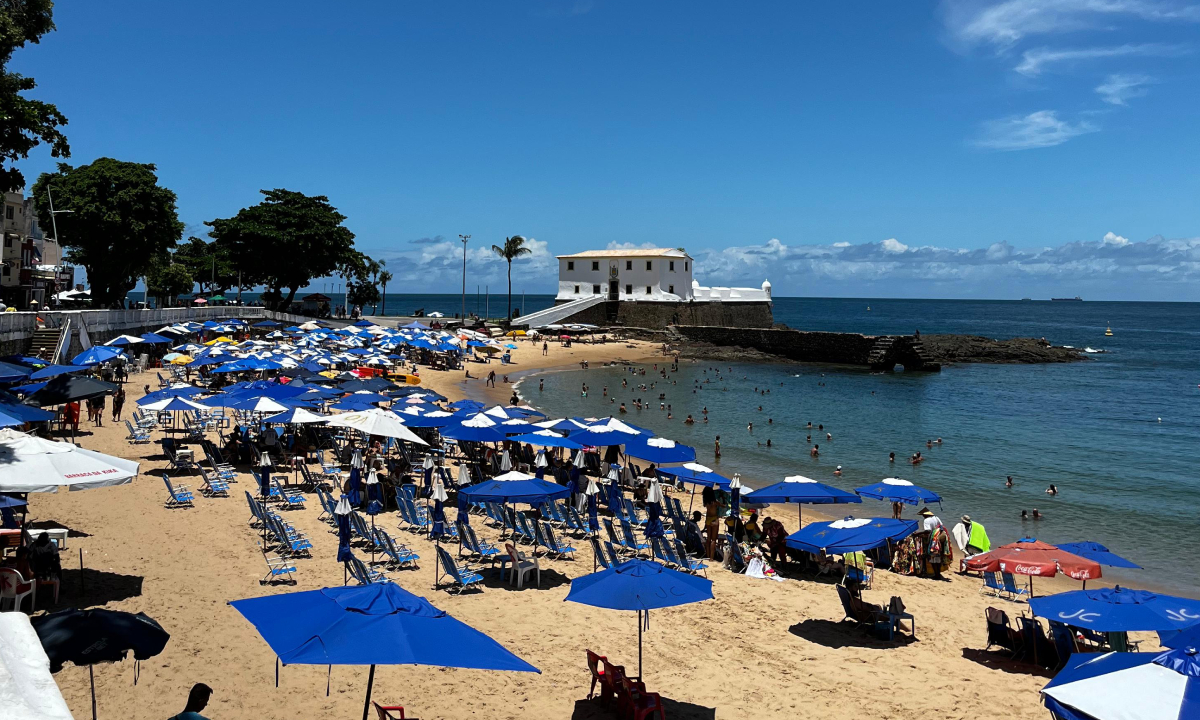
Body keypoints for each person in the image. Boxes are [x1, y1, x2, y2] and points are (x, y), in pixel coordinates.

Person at [702, 485, 720, 560]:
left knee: (708, 539)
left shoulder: (706, 503)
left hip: (708, 519)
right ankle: (711, 558)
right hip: (714, 519)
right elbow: (724, 506)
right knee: (713, 540)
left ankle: (707, 555)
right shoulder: (715, 502)